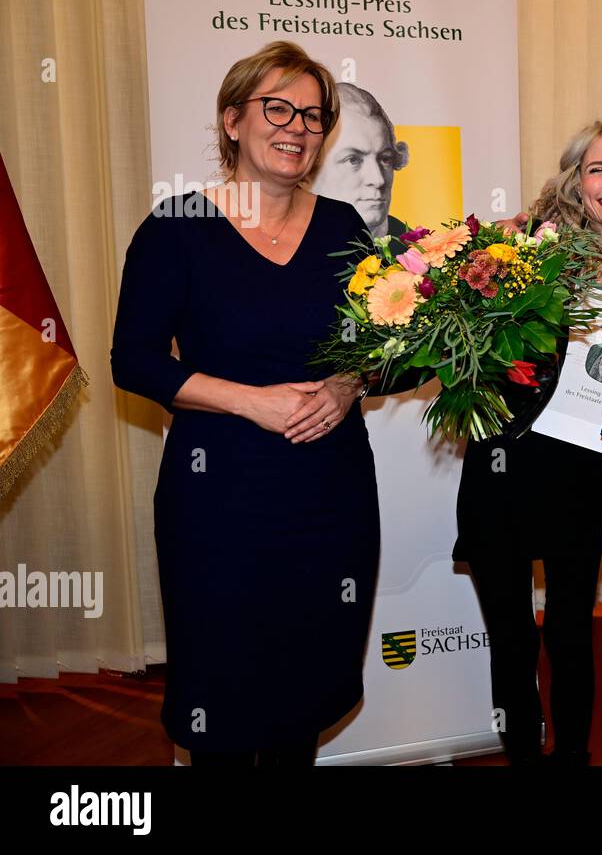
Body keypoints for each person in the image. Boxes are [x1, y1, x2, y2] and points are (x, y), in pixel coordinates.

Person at [111, 41, 378, 766]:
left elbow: (384, 350)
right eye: (277, 108)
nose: (296, 126)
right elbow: (130, 362)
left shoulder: (345, 232)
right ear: (232, 121)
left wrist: (348, 384)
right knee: (224, 702)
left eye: (313, 115)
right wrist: (248, 402)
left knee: (302, 695)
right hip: (219, 496)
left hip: (331, 495)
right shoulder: (176, 229)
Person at [453, 118, 602, 765]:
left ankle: (572, 759)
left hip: (577, 480)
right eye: (599, 169)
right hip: (501, 472)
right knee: (511, 641)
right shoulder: (522, 251)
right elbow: (469, 353)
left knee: (571, 638)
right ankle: (522, 756)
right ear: (576, 179)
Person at [313, 82, 410, 238]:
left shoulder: (419, 253)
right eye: (353, 160)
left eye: (385, 159)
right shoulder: (277, 246)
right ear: (309, 168)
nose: (378, 180)